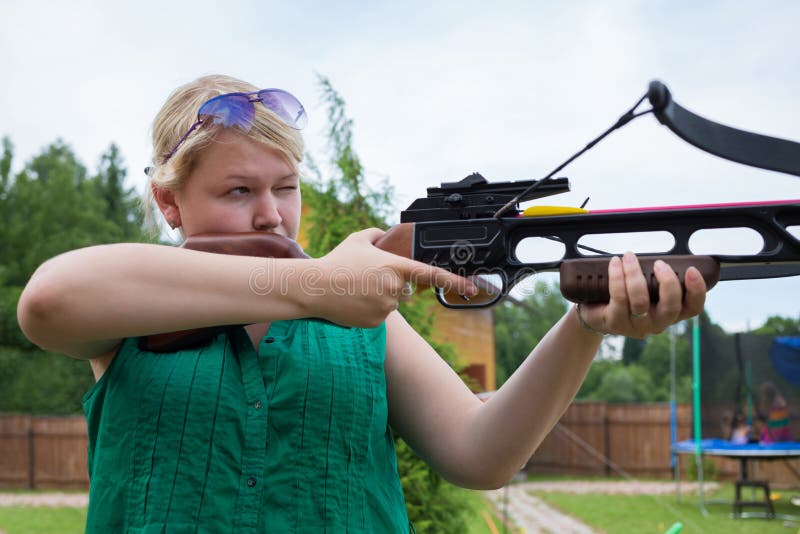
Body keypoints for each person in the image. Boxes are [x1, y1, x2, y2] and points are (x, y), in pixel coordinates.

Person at [16, 74, 707, 532]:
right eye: (237, 191)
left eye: (284, 187)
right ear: (170, 202)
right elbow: (46, 301)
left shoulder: (367, 315)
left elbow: (481, 455)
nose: (270, 215)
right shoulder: (133, 306)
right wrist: (314, 286)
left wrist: (583, 325)